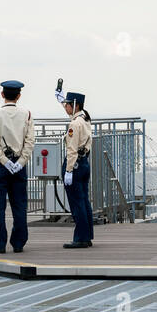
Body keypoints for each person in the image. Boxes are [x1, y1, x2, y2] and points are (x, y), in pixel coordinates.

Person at [0, 80, 34, 253]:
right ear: (19, 96)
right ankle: (19, 242)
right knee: (20, 205)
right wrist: (20, 162)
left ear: (2, 95)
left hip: (0, 165)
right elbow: (30, 142)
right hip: (19, 165)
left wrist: (4, 161)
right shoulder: (27, 114)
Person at [59, 90, 94, 249]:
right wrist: (59, 98)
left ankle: (80, 238)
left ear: (75, 105)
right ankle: (87, 235)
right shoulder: (85, 119)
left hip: (76, 164)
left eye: (67, 104)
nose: (65, 106)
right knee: (84, 201)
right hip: (84, 162)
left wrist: (68, 170)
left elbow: (71, 149)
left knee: (76, 202)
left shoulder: (74, 124)